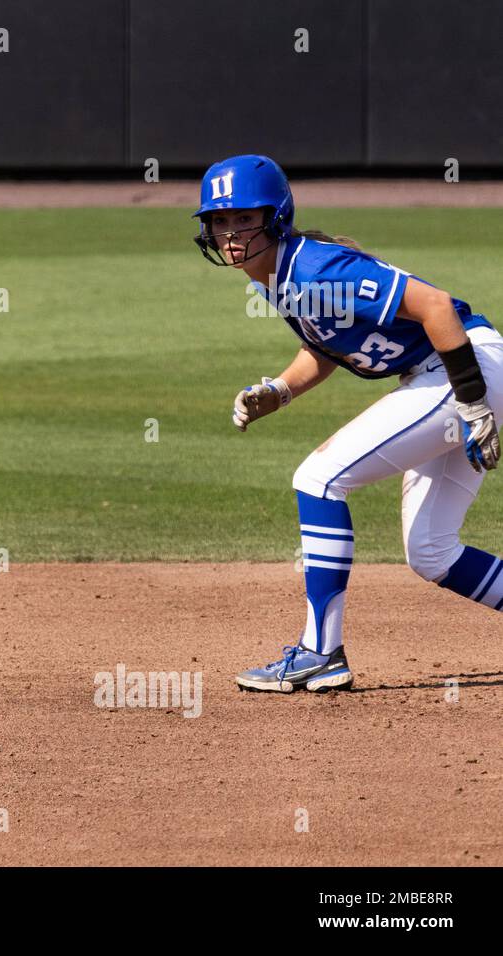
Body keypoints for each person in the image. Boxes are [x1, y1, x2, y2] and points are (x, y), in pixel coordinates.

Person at [193, 154, 503, 693]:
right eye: (220, 221)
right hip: (443, 378)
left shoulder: (315, 268)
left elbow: (435, 307)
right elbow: (330, 346)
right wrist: (280, 390)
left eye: (244, 218)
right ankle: (321, 653)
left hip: (464, 370)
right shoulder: (275, 276)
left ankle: (321, 652)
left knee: (318, 478)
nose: (231, 233)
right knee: (431, 550)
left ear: (276, 217)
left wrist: (473, 400)